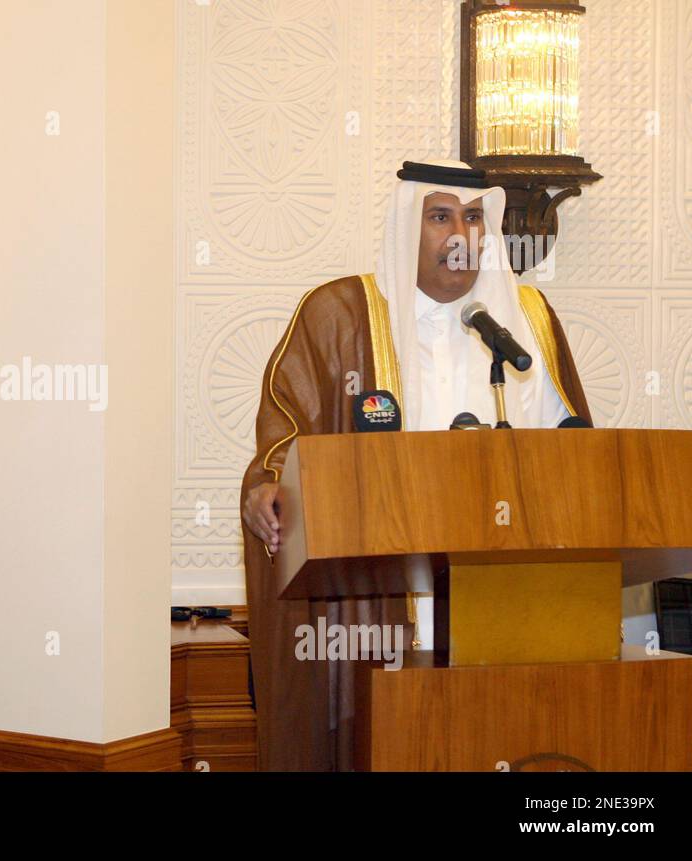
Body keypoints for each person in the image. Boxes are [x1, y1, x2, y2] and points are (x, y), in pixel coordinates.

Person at [239, 159, 592, 771]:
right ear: (409, 226)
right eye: (440, 217)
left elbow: (577, 450)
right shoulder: (340, 313)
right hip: (378, 608)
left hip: (508, 606)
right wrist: (267, 482)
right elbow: (285, 429)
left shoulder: (527, 322)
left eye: (474, 218)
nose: (460, 234)